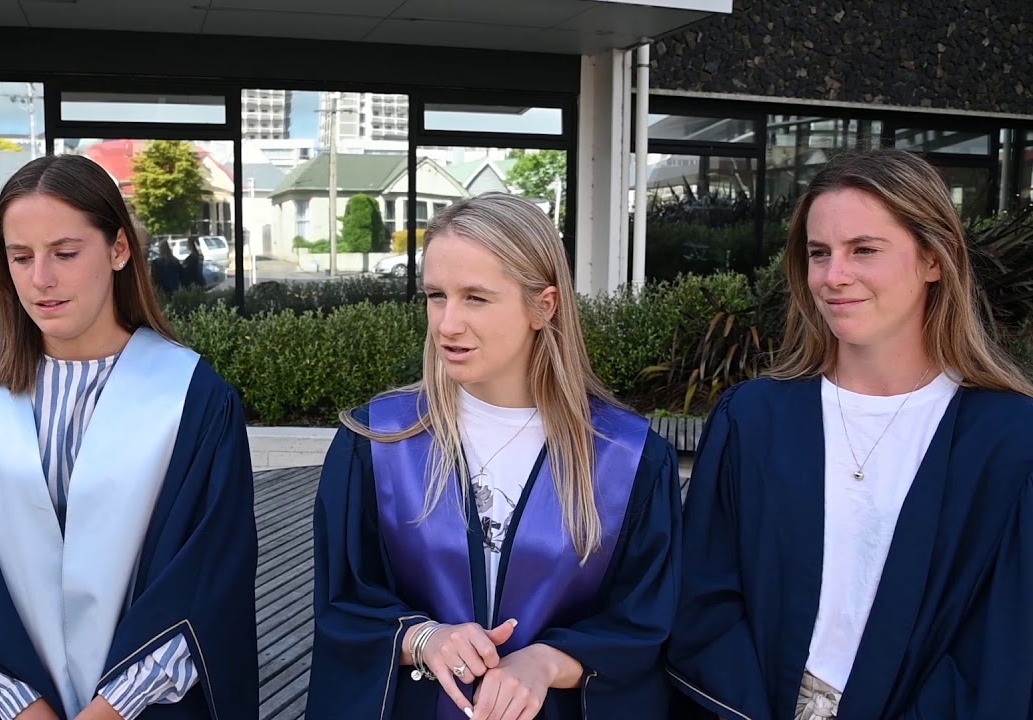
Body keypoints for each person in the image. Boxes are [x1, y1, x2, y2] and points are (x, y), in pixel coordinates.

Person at [666, 148, 1033, 720]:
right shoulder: (755, 421)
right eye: (819, 254)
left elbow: (1004, 640)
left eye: (864, 250)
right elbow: (705, 602)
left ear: (933, 259)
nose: (834, 277)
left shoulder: (1008, 442)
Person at [306, 192, 682, 720]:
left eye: (476, 298)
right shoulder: (379, 441)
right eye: (437, 295)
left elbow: (645, 621)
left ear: (543, 306)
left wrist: (547, 662)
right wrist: (424, 638)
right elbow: (344, 599)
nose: (447, 324)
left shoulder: (625, 457)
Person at [0, 154, 258, 720]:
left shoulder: (192, 399)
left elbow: (204, 580)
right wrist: (25, 707)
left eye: (65, 253)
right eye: (21, 257)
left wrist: (109, 710)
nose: (40, 279)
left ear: (119, 249)